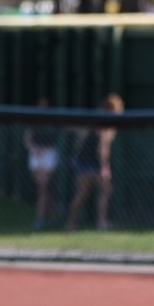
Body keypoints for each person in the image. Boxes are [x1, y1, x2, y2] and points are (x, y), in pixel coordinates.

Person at [63, 93, 122, 232]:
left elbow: (81, 140)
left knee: (92, 191)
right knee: (97, 191)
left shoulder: (96, 120)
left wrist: (76, 157)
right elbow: (102, 147)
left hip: (84, 160)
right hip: (92, 162)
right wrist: (104, 167)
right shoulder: (106, 124)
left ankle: (74, 223)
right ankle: (98, 222)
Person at [23, 97, 59, 231]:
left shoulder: (53, 121)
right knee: (42, 188)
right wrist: (33, 148)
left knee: (42, 187)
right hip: (35, 154)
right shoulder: (34, 120)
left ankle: (40, 219)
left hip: (49, 154)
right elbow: (27, 137)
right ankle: (55, 214)